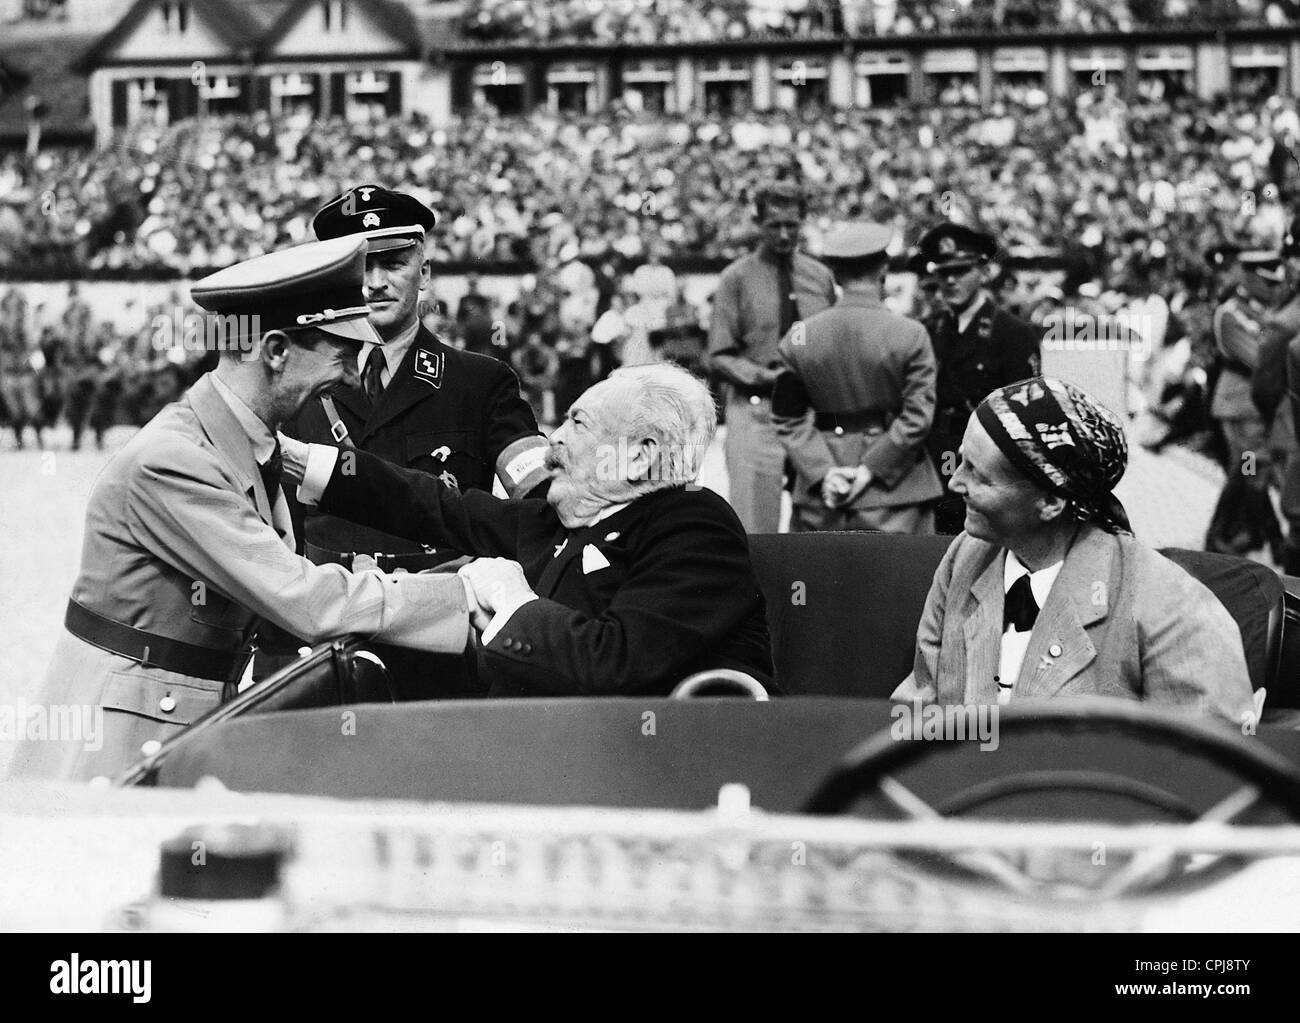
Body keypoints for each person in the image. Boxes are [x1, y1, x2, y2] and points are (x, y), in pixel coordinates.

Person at [8, 237, 475, 782]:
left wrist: (423, 577)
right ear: (275, 351)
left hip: (177, 716)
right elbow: (302, 600)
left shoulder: (244, 443)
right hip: (123, 739)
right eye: (342, 355)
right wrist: (459, 598)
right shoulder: (175, 461)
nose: (352, 376)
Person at [281, 362, 775, 697]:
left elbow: (614, 664)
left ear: (639, 456)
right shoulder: (556, 518)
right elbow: (434, 505)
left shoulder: (695, 528)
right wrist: (300, 460)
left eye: (578, 423)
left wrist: (511, 600)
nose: (553, 437)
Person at [285, 184, 549, 698]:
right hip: (320, 636)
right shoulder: (295, 383)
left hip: (439, 640)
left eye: (393, 264)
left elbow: (540, 504)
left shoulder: (480, 383)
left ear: (424, 273)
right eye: (358, 268)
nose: (374, 283)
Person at [892, 377, 1256, 726]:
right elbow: (920, 709)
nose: (955, 482)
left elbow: (1204, 755)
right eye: (961, 461)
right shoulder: (966, 557)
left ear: (1050, 502)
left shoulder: (1169, 605)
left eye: (979, 475)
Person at [771, 222, 944, 533]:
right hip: (897, 491)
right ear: (883, 269)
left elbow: (787, 417)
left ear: (834, 275)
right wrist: (868, 470)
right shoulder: (911, 334)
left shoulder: (799, 337)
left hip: (822, 486)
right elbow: (918, 418)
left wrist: (824, 472)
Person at [707, 179, 837, 533]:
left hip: (811, 415)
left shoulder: (820, 277)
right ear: (758, 224)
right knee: (754, 525)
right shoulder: (735, 278)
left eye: (791, 225)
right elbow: (719, 354)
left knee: (819, 522)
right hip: (755, 412)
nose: (783, 235)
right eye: (774, 225)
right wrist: (766, 377)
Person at [913, 222, 1042, 535]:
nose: (951, 280)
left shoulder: (1013, 333)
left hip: (985, 461)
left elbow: (1023, 415)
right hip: (932, 457)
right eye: (943, 272)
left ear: (984, 272)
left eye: (961, 271)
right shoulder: (927, 329)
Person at [1204, 251, 1287, 559]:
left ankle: (1248, 534)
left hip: (1254, 409)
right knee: (1249, 468)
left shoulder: (1260, 311)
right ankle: (1227, 534)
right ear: (1250, 278)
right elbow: (1259, 360)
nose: (1274, 288)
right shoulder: (1231, 313)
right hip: (1239, 407)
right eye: (1267, 282)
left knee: (1248, 470)